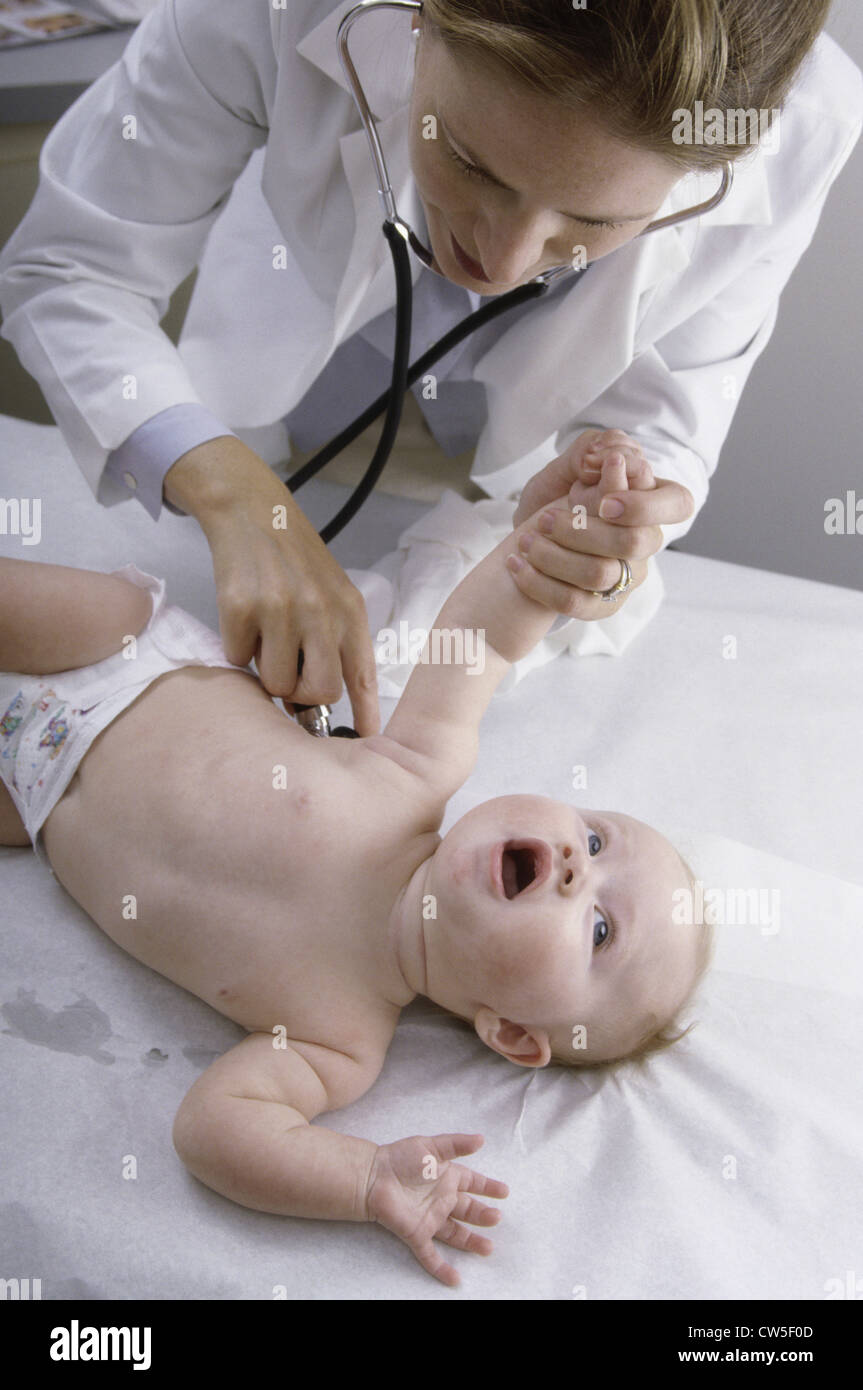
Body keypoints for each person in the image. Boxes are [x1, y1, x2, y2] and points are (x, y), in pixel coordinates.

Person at [0, 0, 858, 730]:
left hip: (503, 460)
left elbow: (672, 416)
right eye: (472, 163)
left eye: (591, 217)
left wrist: (619, 526)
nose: (503, 257)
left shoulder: (796, 125)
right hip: (294, 365)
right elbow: (69, 270)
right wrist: (226, 486)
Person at [0, 454, 710, 1287]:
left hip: (34, 795)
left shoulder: (337, 1043)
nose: (570, 868)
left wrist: (365, 1179)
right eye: (594, 841)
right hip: (117, 657)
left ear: (512, 1034)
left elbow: (214, 1129)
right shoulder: (412, 775)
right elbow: (475, 642)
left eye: (599, 929)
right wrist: (555, 550)